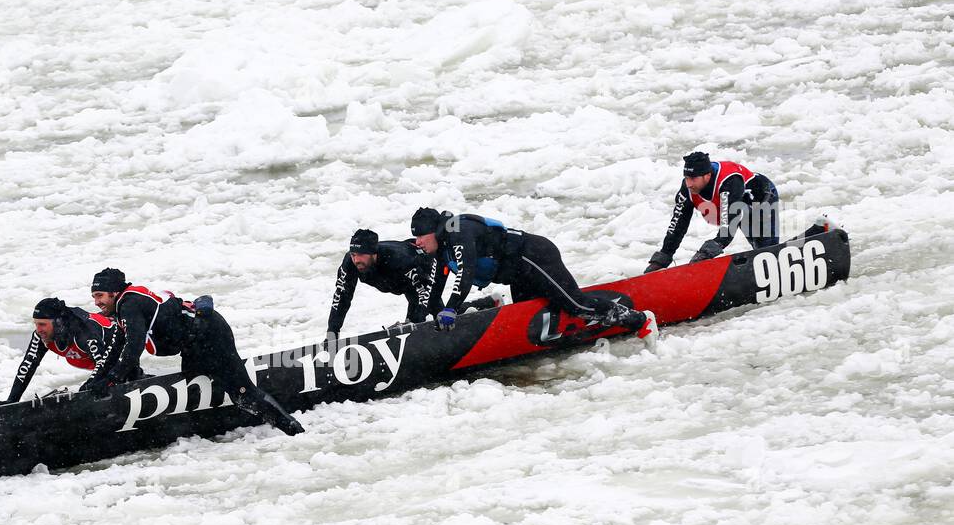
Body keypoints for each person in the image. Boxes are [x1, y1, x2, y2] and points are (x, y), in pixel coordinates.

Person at [87, 267, 304, 436]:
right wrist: (93, 382)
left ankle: (294, 430)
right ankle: (211, 430)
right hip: (193, 345)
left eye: (100, 295)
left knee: (243, 395)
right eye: (94, 297)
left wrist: (111, 380)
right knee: (192, 391)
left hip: (211, 335)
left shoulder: (129, 304)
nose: (97, 302)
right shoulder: (122, 308)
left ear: (115, 292)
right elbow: (115, 349)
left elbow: (133, 349)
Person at [409, 208, 656, 342]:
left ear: (435, 231)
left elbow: (465, 273)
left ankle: (639, 319)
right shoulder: (440, 248)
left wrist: (451, 309)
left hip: (534, 256)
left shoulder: (458, 231)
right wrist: (427, 323)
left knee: (575, 304)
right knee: (528, 317)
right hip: (517, 274)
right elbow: (437, 286)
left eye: (421, 236)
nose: (417, 242)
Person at [644, 151, 780, 272]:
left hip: (761, 198)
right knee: (758, 249)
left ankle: (775, 268)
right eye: (686, 178)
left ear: (707, 175)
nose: (689, 184)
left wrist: (706, 253)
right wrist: (663, 256)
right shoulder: (688, 188)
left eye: (693, 179)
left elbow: (728, 228)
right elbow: (678, 224)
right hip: (733, 203)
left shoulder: (729, 182)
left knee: (765, 252)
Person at [0, 296, 134, 405]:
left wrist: (87, 390)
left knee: (110, 378)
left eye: (42, 324)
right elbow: (27, 367)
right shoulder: (40, 335)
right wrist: (12, 401)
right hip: (85, 357)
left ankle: (139, 379)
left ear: (58, 322)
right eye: (36, 324)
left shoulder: (83, 331)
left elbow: (104, 363)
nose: (38, 330)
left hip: (118, 341)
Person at [326, 229, 437, 338]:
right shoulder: (350, 263)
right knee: (413, 326)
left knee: (425, 316)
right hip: (400, 280)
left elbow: (425, 292)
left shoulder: (400, 259)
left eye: (360, 254)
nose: (356, 260)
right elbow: (341, 297)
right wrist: (332, 332)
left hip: (422, 262)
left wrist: (420, 323)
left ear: (373, 253)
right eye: (353, 254)